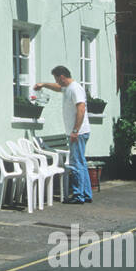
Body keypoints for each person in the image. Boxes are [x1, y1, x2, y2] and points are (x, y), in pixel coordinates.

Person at [34, 66, 93, 204]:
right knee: (81, 163)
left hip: (78, 132)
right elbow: (57, 87)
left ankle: (78, 196)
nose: (56, 81)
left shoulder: (75, 88)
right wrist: (43, 84)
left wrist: (75, 131)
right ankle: (86, 194)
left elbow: (81, 109)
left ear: (61, 77)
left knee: (76, 163)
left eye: (56, 78)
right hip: (79, 132)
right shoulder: (67, 88)